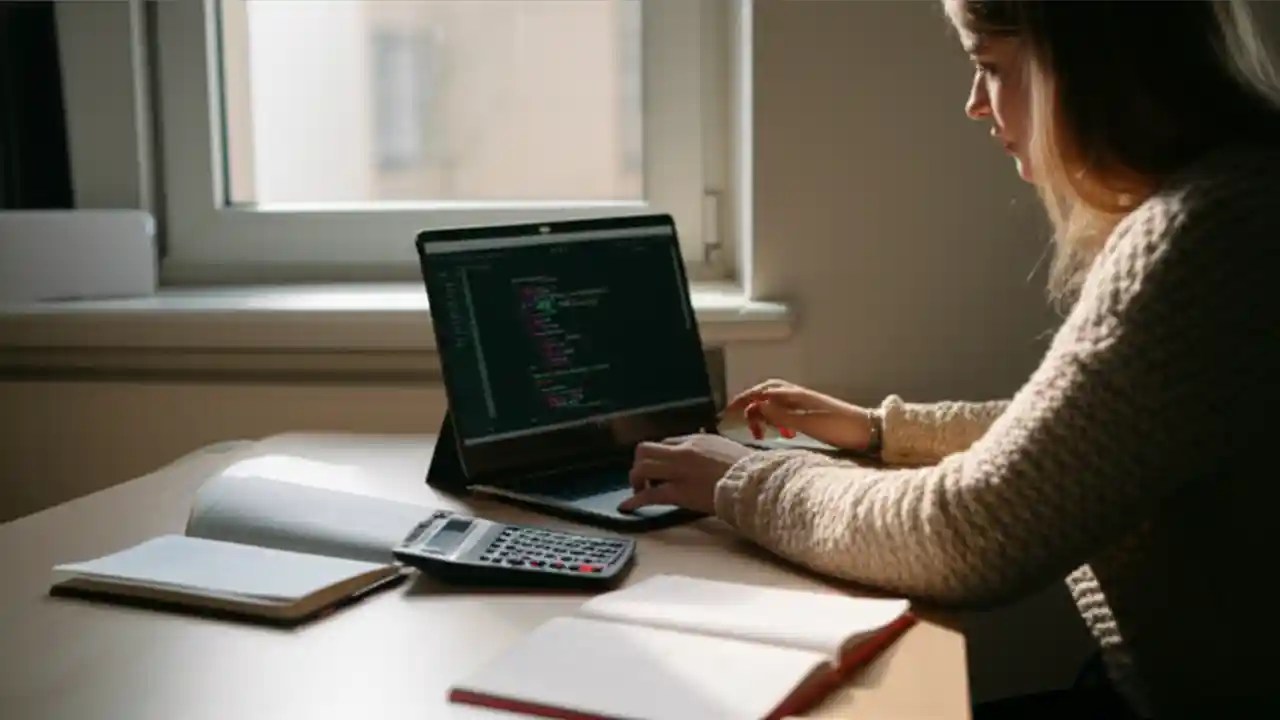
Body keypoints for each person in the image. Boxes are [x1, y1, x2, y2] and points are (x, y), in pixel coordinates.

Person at [618, 1, 1280, 717]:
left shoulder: (1209, 233)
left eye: (990, 66)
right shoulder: (1234, 200)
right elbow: (1095, 441)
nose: (973, 104)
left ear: (1082, 61)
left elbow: (968, 531)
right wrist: (882, 432)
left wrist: (746, 480)